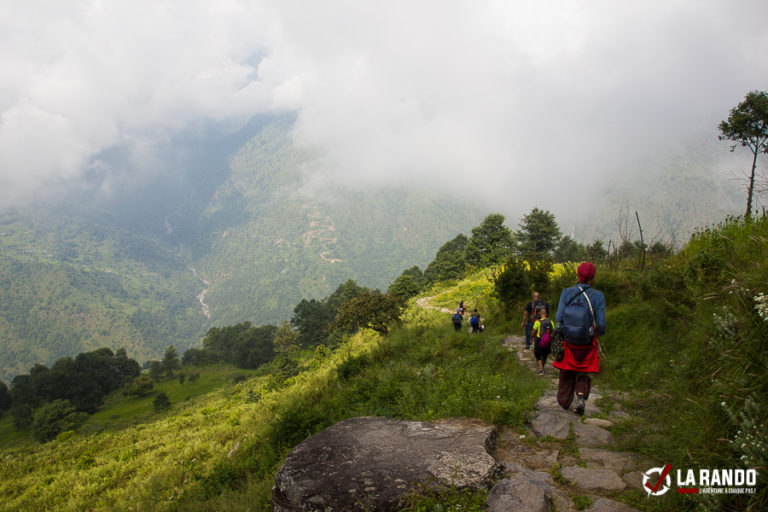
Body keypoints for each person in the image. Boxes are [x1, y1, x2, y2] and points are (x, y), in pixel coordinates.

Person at [553, 262, 606, 415]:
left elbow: (558, 317)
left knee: (566, 371)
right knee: (584, 371)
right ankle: (581, 396)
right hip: (587, 342)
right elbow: (601, 324)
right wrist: (598, 334)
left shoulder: (567, 293)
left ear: (578, 275)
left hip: (569, 340)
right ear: (593, 277)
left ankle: (564, 401)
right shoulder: (597, 296)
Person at [532, 306, 554, 375]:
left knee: (537, 354)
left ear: (540, 314)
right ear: (546, 314)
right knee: (545, 355)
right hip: (548, 341)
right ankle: (543, 367)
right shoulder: (551, 322)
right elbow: (553, 331)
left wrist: (530, 338)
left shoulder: (538, 322)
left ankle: (541, 369)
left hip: (539, 340)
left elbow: (533, 331)